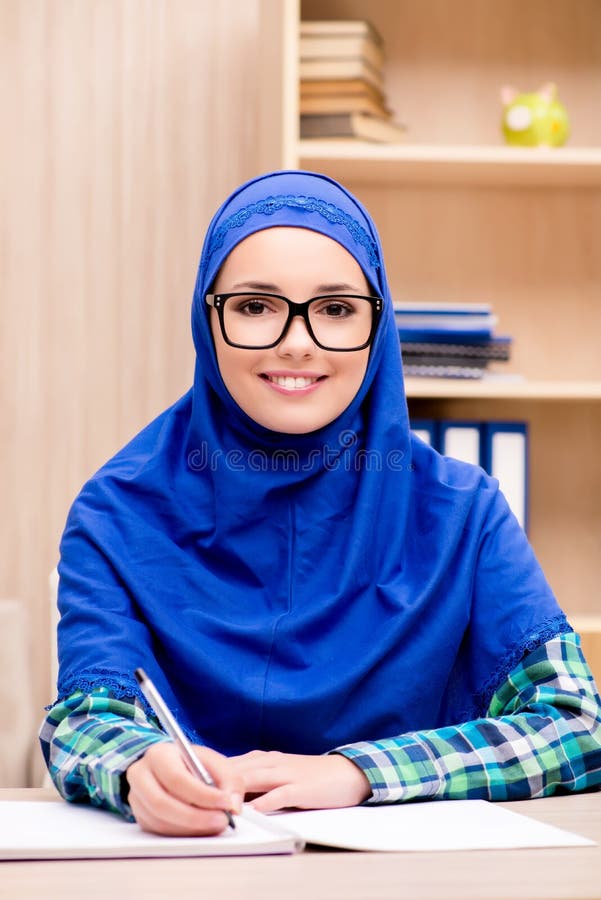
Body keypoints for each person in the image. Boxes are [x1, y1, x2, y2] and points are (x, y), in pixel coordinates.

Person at [40, 170, 601, 837]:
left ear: (376, 323)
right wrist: (137, 767)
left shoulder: (459, 514)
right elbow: (83, 717)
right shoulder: (117, 514)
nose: (296, 341)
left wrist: (356, 772)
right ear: (206, 318)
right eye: (255, 307)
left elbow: (574, 724)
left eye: (335, 309)